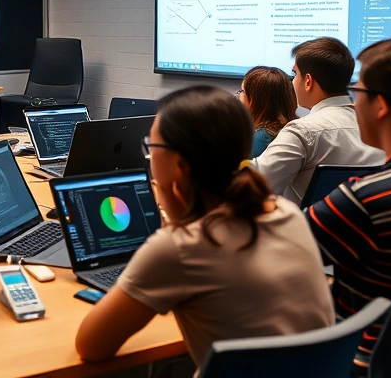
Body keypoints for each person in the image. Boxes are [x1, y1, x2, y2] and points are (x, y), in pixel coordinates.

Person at [76, 86, 333, 372]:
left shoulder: (179, 248)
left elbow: (91, 346)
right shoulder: (284, 213)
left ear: (180, 165)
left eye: (152, 147)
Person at [307, 35, 391, 375]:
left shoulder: (367, 199)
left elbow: (273, 255)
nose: (353, 104)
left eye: (358, 93)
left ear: (380, 104)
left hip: (360, 366)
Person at [250, 37, 384, 203]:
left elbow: (254, 184)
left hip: (308, 226)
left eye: (295, 74)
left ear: (308, 81)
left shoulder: (303, 131)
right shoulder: (379, 130)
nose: (292, 82)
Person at [238, 66, 298, 157]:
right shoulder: (293, 128)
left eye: (242, 91)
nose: (238, 95)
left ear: (255, 100)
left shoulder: (260, 139)